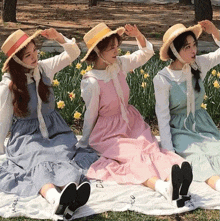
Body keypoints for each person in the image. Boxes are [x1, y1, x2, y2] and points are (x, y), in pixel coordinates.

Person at [77, 22, 193, 207]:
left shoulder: (119, 64)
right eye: (111, 48)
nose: (117, 51)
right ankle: (163, 187)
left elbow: (146, 53)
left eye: (117, 46)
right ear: (98, 52)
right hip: (108, 133)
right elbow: (90, 115)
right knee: (134, 156)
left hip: (131, 123)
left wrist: (138, 35)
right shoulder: (91, 82)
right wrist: (84, 143)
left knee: (150, 149)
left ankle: (174, 176)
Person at [0, 28, 98, 220]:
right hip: (27, 136)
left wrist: (59, 38)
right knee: (39, 160)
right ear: (17, 60)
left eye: (35, 51)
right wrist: (1, 150)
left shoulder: (45, 68)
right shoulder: (9, 85)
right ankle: (55, 199)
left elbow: (73, 53)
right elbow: (2, 120)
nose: (34, 57)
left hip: (55, 130)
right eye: (28, 55)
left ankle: (71, 194)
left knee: (62, 155)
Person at [153, 20, 220, 192]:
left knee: (216, 149)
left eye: (194, 45)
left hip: (202, 124)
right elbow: (162, 116)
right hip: (179, 130)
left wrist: (215, 31)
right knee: (196, 157)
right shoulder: (163, 79)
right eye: (187, 47)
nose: (194, 51)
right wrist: (168, 152)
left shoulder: (198, 64)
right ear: (175, 51)